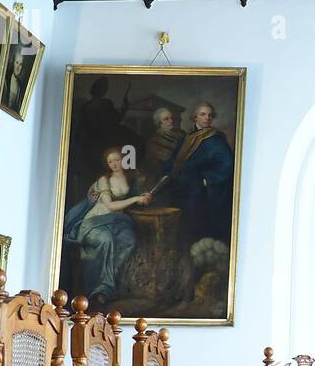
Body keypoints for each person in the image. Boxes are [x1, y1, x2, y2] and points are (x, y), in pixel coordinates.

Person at [63, 146, 152, 307]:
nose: (115, 164)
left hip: (116, 221)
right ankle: (100, 289)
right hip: (95, 222)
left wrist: (144, 197)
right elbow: (110, 206)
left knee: (130, 240)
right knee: (106, 240)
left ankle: (112, 281)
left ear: (124, 160)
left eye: (117, 159)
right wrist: (135, 199)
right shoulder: (104, 180)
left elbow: (138, 198)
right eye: (110, 161)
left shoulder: (131, 178)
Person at [161, 101, 234, 244]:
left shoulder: (216, 138)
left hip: (200, 190)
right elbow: (175, 159)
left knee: (197, 223)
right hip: (181, 187)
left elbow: (228, 164)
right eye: (203, 114)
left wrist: (207, 180)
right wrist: (167, 173)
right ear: (195, 117)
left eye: (210, 115)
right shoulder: (187, 137)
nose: (207, 118)